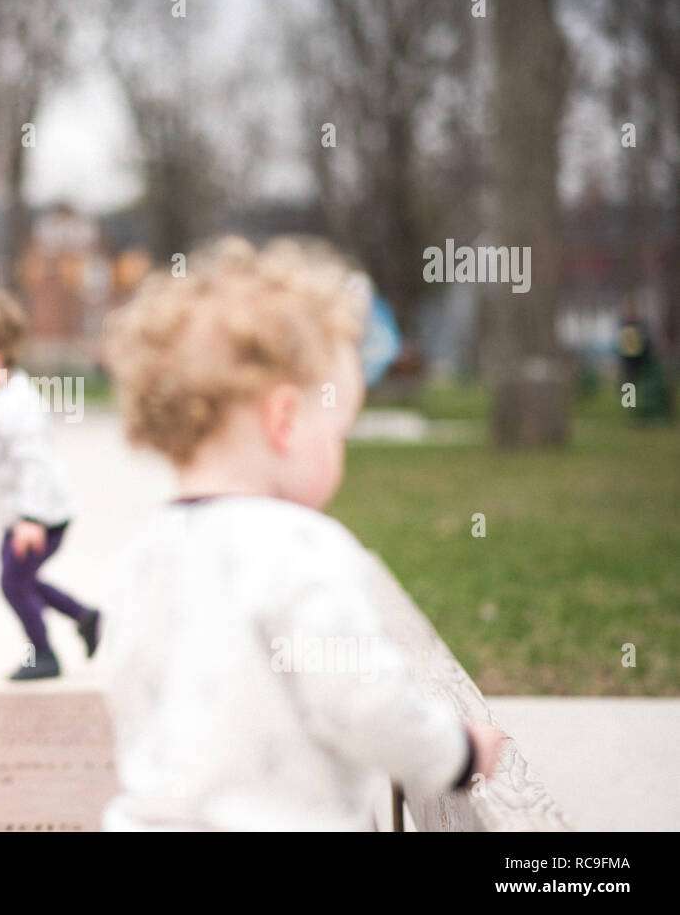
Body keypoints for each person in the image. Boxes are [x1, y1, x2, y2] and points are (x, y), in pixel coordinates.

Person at [98, 236, 503, 830]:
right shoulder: (300, 545)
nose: (339, 451)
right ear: (284, 420)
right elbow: (363, 700)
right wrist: (457, 751)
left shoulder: (145, 551)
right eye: (337, 429)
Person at [0, 291, 101, 681]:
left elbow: (36, 463)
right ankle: (87, 618)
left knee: (13, 583)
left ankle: (43, 654)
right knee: (22, 580)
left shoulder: (16, 406)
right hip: (22, 516)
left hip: (40, 515)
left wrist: (31, 518)